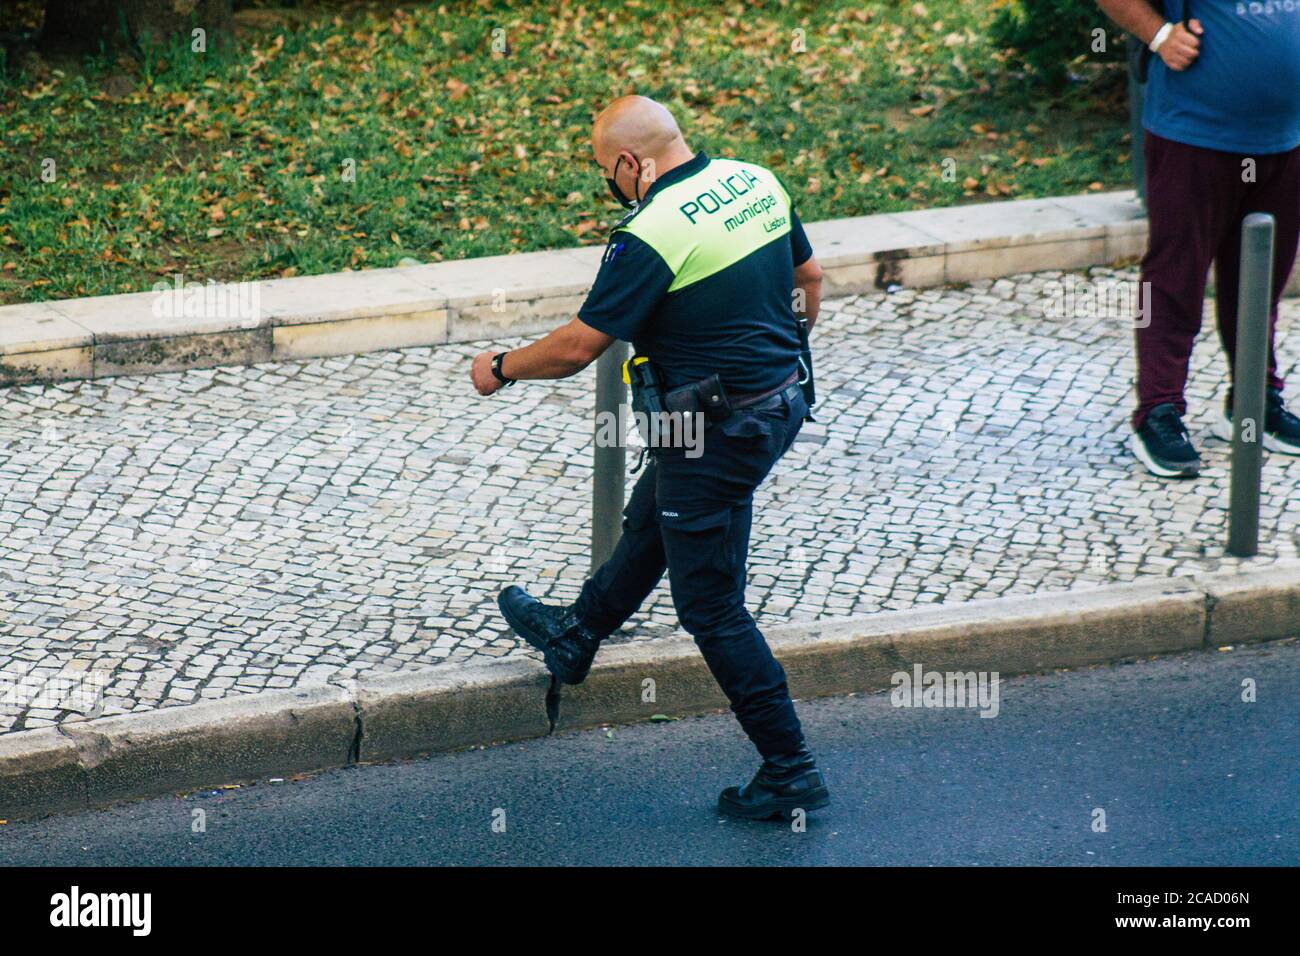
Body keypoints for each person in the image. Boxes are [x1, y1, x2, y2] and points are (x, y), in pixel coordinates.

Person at [468, 95, 828, 820]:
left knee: (713, 608)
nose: (610, 182)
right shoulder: (755, 180)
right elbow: (810, 281)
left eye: (608, 171)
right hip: (776, 400)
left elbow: (578, 347)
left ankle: (789, 770)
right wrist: (772, 356)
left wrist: (501, 366)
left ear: (632, 164)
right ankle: (576, 635)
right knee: (655, 511)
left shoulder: (650, 233)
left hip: (718, 430)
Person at [1098, 0, 1300, 478]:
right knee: (1175, 278)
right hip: (1194, 131)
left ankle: (1254, 402)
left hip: (1285, 137)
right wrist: (1159, 35)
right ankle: (1159, 410)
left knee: (1261, 280)